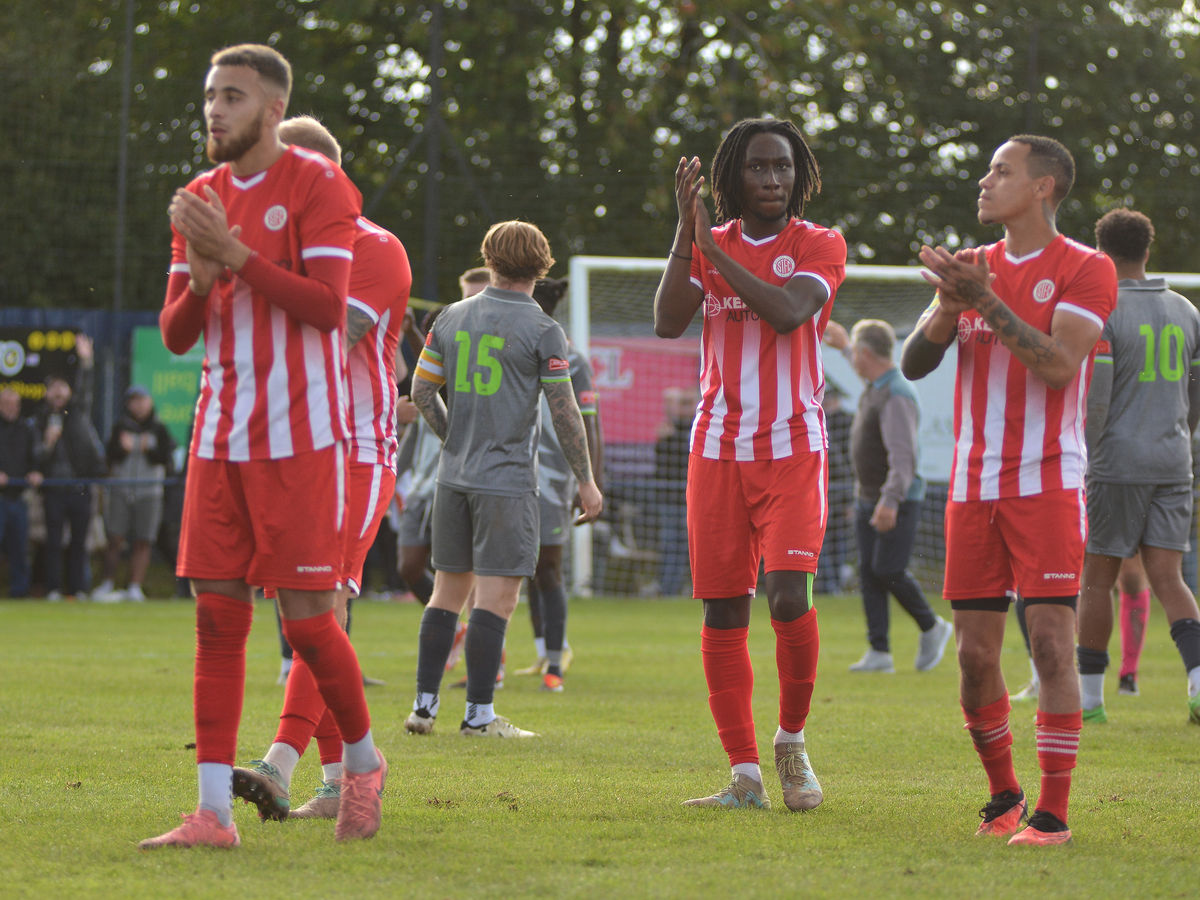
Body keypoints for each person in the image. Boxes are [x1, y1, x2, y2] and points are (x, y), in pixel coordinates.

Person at [140, 44, 385, 850]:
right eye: (210, 95)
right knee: (215, 622)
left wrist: (236, 257)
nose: (215, 109)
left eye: (233, 97)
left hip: (303, 440)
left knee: (311, 622)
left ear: (273, 109)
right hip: (218, 436)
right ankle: (212, 814)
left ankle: (361, 761)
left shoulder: (319, 184)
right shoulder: (200, 198)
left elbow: (325, 308)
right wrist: (204, 274)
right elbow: (178, 334)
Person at [901, 134, 1118, 846]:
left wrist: (984, 302)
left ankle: (1053, 814)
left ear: (1045, 186)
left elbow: (1058, 366)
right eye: (988, 168)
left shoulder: (1087, 268)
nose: (985, 180)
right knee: (973, 657)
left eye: (1002, 170)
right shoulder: (973, 266)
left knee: (1051, 645)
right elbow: (914, 362)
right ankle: (1003, 795)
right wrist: (945, 305)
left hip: (1047, 482)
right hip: (972, 487)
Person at [653, 117, 847, 811]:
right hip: (716, 452)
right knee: (724, 607)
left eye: (784, 168)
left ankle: (790, 742)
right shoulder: (708, 242)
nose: (773, 180)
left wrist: (714, 251)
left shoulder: (819, 243)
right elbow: (668, 321)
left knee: (788, 596)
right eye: (760, 168)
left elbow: (790, 312)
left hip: (794, 447)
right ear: (733, 176)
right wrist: (688, 236)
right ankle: (744, 775)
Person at [227, 114, 412, 823]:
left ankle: (279, 762)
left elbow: (336, 338)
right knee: (304, 615)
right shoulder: (282, 247)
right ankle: (339, 780)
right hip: (289, 451)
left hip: (353, 455)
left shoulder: (373, 246)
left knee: (321, 608)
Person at [404, 220, 602, 739]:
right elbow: (564, 412)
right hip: (508, 482)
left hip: (453, 479)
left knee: (445, 594)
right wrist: (586, 479)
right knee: (497, 600)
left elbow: (423, 394)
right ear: (542, 264)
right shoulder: (543, 329)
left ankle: (423, 709)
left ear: (488, 258)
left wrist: (452, 440)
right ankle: (479, 717)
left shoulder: (449, 317)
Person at [1075, 208, 1200, 725]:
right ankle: (1197, 684)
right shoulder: (1188, 311)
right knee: (1169, 577)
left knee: (1097, 580)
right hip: (1174, 460)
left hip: (1116, 462)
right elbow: (1196, 396)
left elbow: (1097, 399)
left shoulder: (1104, 310)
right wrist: (1176, 433)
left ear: (1100, 252)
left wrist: (1085, 454)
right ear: (1148, 251)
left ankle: (1090, 701)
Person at [823, 318, 953, 673]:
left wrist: (890, 500)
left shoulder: (896, 394)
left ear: (867, 353)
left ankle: (932, 626)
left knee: (887, 569)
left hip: (895, 500)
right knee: (868, 572)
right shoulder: (877, 381)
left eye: (856, 353)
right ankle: (879, 652)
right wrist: (846, 346)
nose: (854, 362)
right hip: (868, 496)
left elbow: (903, 457)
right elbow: (859, 360)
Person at [512, 276, 604, 691]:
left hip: (554, 477)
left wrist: (592, 479)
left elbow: (589, 424)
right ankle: (540, 651)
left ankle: (556, 661)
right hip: (512, 471)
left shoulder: (573, 359)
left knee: (548, 565)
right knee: (527, 569)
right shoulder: (513, 347)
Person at [33, 334, 103, 601]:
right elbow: (35, 458)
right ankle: (52, 588)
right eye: (54, 388)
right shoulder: (39, 419)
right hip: (52, 489)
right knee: (52, 543)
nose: (59, 392)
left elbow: (86, 388)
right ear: (47, 393)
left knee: (78, 542)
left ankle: (77, 590)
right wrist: (48, 444)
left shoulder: (77, 412)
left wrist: (87, 361)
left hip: (79, 487)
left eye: (63, 387)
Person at [95, 385, 176, 603]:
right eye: (133, 401)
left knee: (144, 539)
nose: (138, 405)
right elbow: (109, 455)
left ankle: (134, 586)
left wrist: (146, 448)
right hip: (122, 490)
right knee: (115, 537)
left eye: (141, 400)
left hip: (149, 492)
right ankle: (107, 583)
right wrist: (123, 448)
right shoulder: (120, 426)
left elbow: (166, 457)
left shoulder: (159, 428)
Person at [652, 386, 695, 597]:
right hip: (671, 499)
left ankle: (694, 586)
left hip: (692, 500)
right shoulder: (667, 432)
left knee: (693, 546)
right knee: (671, 544)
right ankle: (669, 587)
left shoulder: (699, 430)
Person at [0, 387, 43, 597]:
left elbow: (35, 457)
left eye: (15, 404)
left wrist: (35, 471)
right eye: (7, 404)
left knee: (20, 548)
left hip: (19, 496)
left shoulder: (26, 429)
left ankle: (19, 591)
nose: (11, 408)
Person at [815, 383, 854, 594]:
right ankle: (830, 584)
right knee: (826, 543)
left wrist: (849, 500)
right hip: (826, 493)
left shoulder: (848, 422)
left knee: (838, 543)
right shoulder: (820, 421)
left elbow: (850, 465)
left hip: (838, 494)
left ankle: (834, 584)